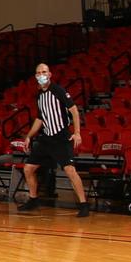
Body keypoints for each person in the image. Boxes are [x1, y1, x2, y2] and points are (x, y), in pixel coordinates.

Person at [17, 62, 91, 218]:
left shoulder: (58, 90)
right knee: (28, 168)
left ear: (49, 74)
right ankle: (33, 199)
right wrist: (29, 136)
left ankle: (84, 205)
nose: (42, 75)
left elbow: (74, 111)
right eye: (39, 73)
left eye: (44, 72)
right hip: (46, 138)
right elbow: (40, 118)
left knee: (70, 170)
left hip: (61, 137)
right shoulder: (39, 95)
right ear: (36, 76)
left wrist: (77, 132)